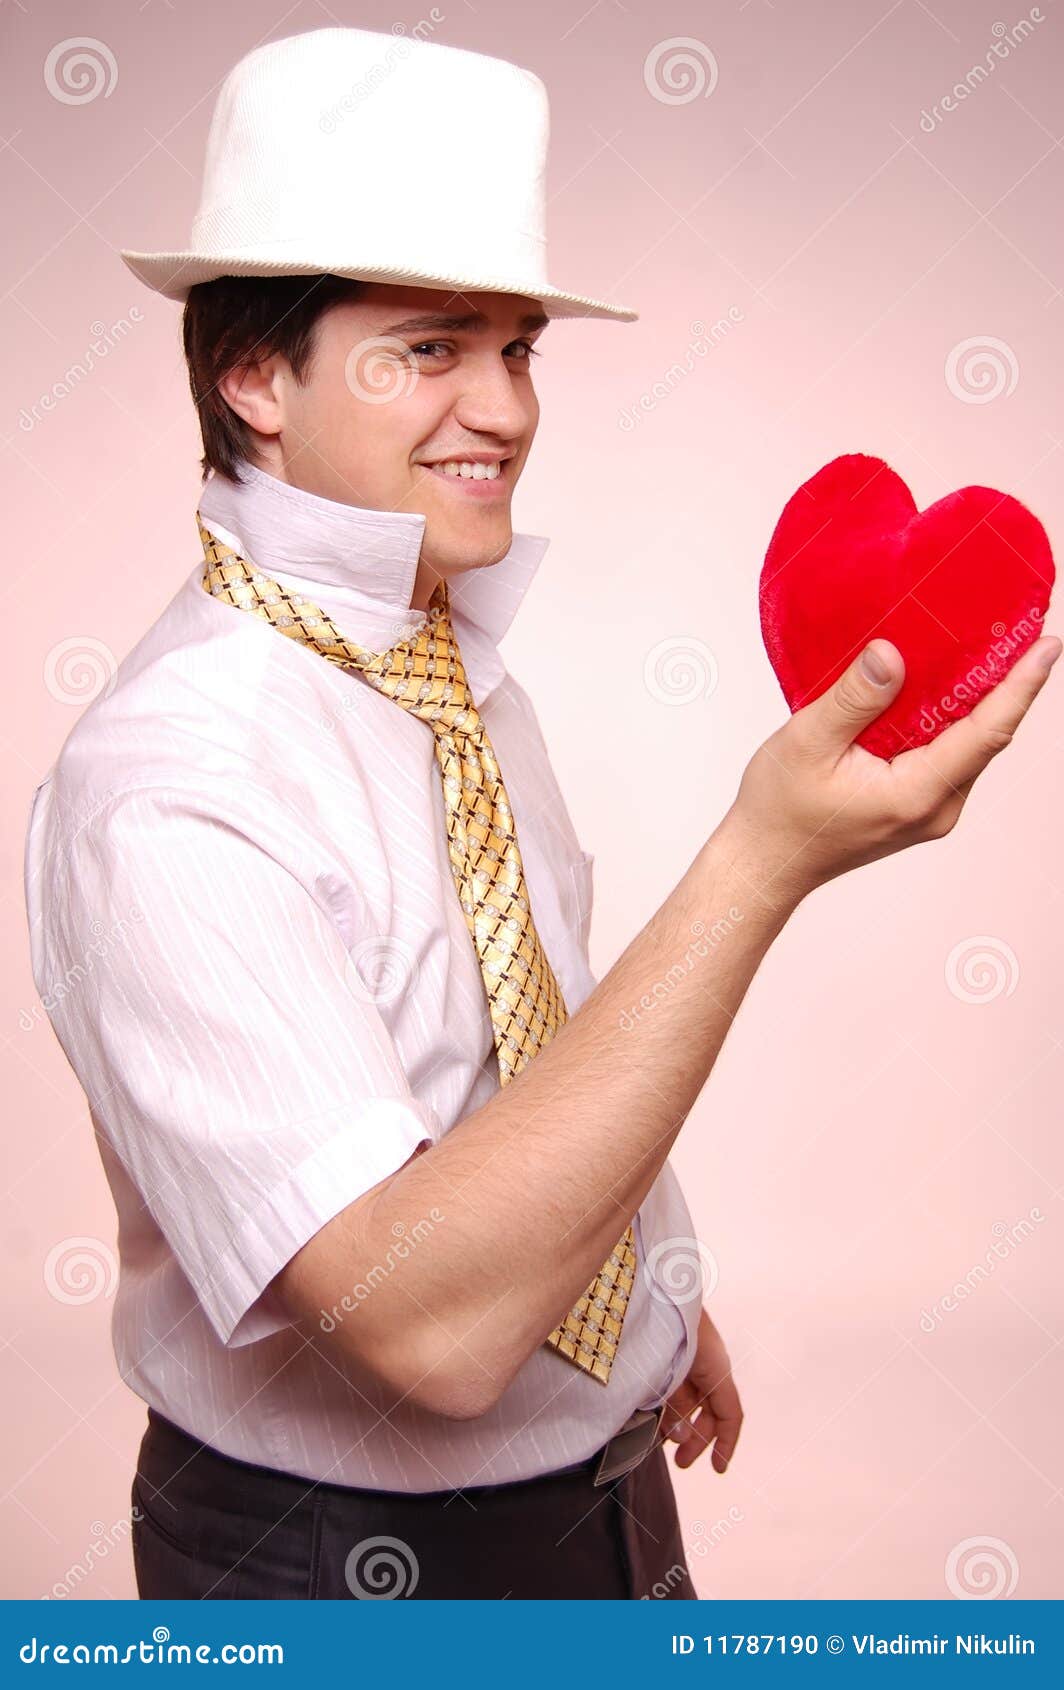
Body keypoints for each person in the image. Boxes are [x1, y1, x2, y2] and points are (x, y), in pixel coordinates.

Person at [23, 27, 1060, 1603]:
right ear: (254, 376)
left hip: (609, 1505)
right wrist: (762, 858)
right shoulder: (168, 784)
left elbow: (512, 1038)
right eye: (431, 348)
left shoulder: (452, 673)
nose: (501, 410)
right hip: (338, 1579)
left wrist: (638, 1292)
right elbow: (426, 1323)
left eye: (518, 349)